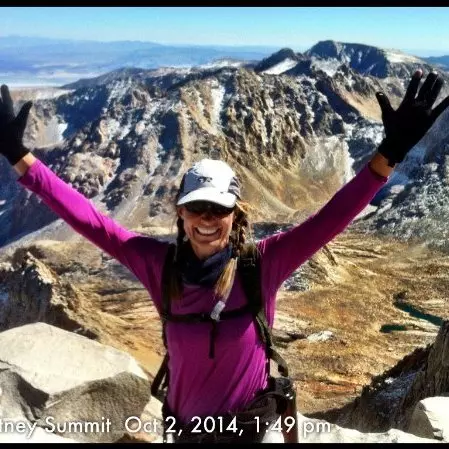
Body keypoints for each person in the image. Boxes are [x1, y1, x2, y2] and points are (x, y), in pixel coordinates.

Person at [1, 69, 448, 444]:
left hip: (251, 431)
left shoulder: (263, 263)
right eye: (197, 207)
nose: (207, 219)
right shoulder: (159, 266)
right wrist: (21, 158)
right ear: (180, 213)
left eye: (219, 209)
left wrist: (387, 157)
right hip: (186, 432)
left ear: (236, 215)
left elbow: (329, 220)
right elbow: (90, 221)